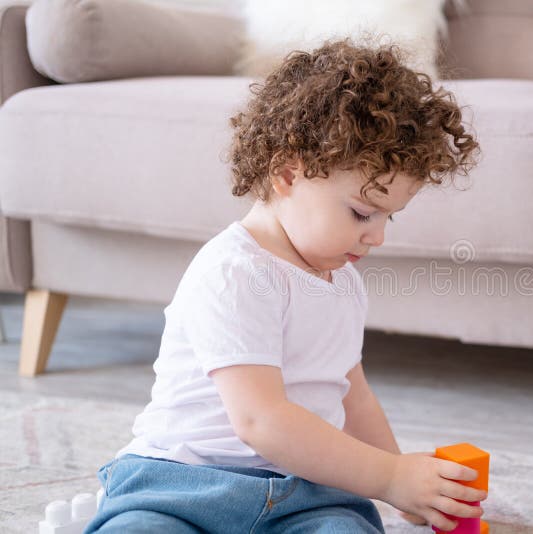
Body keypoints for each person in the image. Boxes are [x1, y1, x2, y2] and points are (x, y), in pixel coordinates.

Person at [86, 37, 482, 533]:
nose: (376, 236)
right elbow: (261, 420)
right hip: (183, 485)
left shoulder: (343, 282)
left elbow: (351, 395)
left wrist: (403, 479)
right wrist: (388, 476)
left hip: (305, 494)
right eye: (361, 212)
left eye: (388, 219)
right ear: (287, 172)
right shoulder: (234, 272)